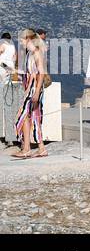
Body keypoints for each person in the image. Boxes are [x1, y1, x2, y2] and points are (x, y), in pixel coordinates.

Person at [14, 29, 47, 159]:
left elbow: (41, 73)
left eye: (21, 40)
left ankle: (27, 148)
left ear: (27, 39)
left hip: (34, 89)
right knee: (32, 117)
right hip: (30, 88)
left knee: (24, 116)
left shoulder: (36, 53)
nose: (20, 42)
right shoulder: (30, 53)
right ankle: (40, 148)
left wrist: (37, 91)